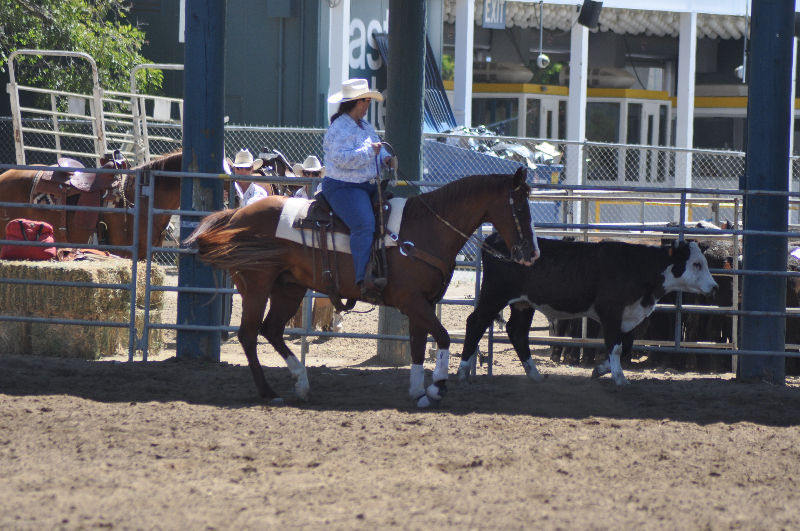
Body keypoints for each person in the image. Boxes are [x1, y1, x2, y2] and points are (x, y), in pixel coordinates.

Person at [322, 79, 394, 301]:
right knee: (364, 223)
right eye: (368, 100)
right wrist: (369, 153)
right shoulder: (338, 128)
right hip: (343, 186)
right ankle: (363, 279)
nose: (369, 104)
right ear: (359, 102)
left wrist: (386, 158)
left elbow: (377, 149)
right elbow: (340, 159)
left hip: (365, 186)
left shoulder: (365, 126)